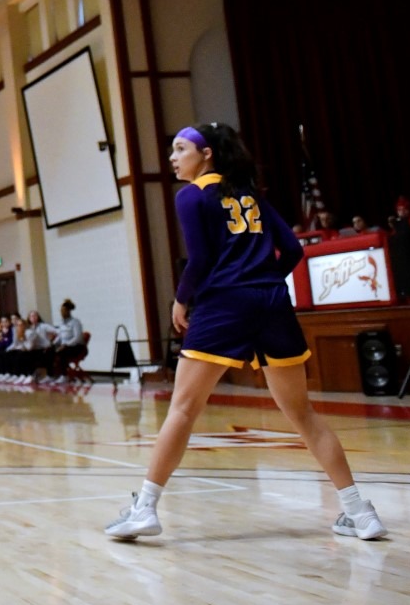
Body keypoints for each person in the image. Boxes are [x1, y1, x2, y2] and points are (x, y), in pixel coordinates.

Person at [105, 124, 385, 542]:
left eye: (180, 149)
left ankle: (144, 508)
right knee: (302, 413)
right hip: (273, 304)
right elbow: (292, 250)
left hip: (224, 305)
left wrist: (181, 300)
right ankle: (359, 512)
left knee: (183, 409)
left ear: (206, 155)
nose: (173, 158)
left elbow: (198, 260)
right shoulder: (251, 194)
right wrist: (262, 282)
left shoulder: (192, 195)